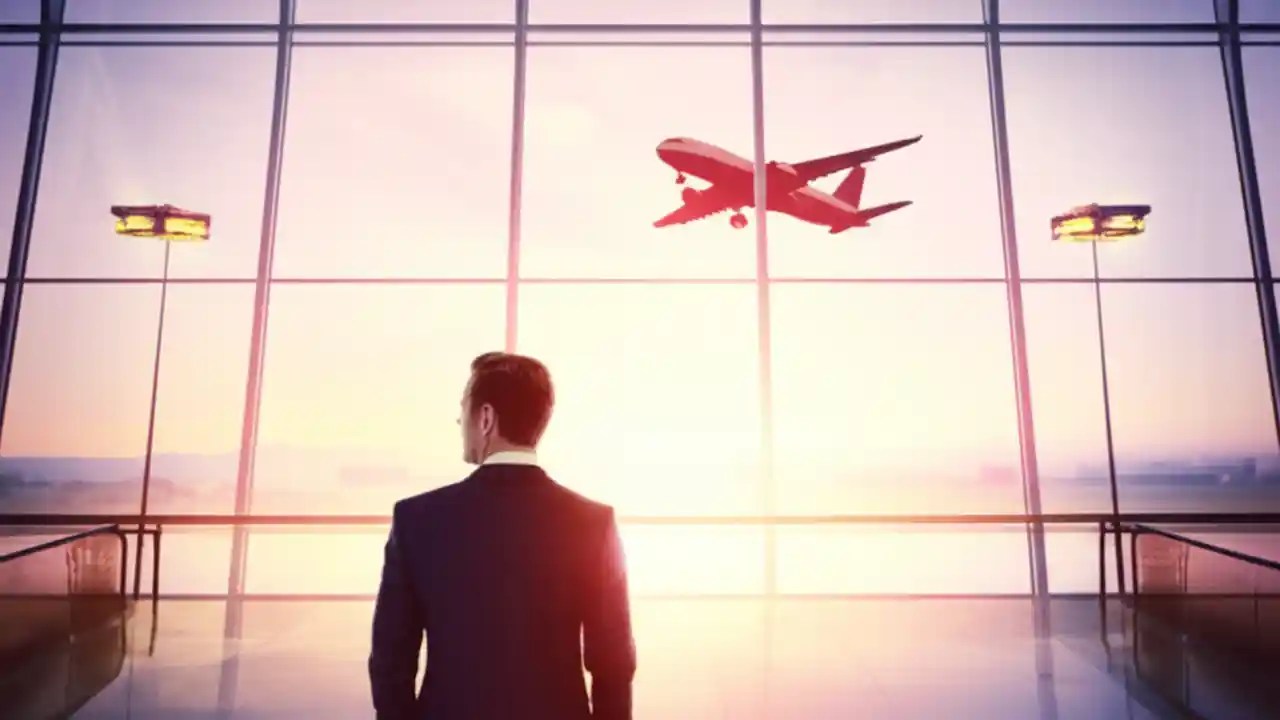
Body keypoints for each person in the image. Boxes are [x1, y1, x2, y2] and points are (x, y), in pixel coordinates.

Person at [369, 351, 636, 720]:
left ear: (486, 418)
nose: (459, 419)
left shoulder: (417, 519)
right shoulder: (593, 523)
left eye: (464, 407)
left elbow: (390, 663)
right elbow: (613, 664)